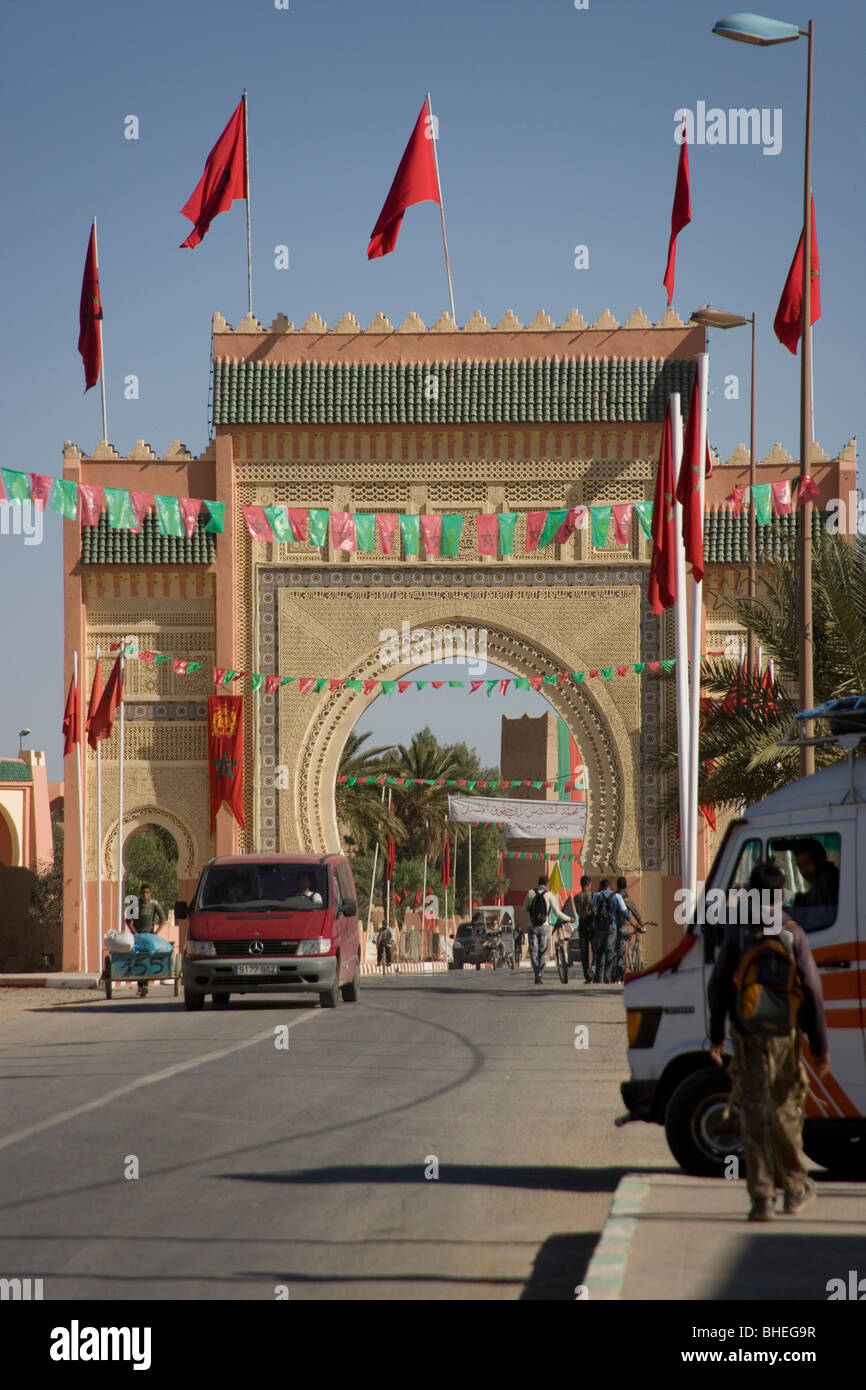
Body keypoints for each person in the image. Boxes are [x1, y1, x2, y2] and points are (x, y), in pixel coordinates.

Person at [708, 860, 830, 1222]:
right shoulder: (793, 933)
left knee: (755, 1112)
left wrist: (716, 1035)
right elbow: (812, 990)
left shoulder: (739, 932)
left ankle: (762, 1198)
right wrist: (820, 1045)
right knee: (785, 1111)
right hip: (783, 1035)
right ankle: (793, 1189)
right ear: (780, 894)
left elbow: (717, 986)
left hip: (746, 1034)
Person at [523, 875, 569, 985]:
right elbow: (557, 912)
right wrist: (569, 919)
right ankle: (540, 974)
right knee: (542, 951)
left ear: (538, 883)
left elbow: (524, 909)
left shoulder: (530, 893)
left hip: (532, 926)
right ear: (547, 884)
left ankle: (537, 974)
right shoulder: (549, 895)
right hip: (544, 926)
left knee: (533, 951)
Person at [785, 839, 840, 932]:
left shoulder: (826, 883)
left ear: (822, 859)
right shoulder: (828, 878)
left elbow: (812, 924)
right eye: (800, 866)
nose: (804, 871)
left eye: (808, 863)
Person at [126, 884, 166, 997]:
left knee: (147, 959)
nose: (145, 894)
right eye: (143, 892)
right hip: (138, 936)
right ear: (140, 893)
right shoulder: (135, 904)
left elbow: (163, 919)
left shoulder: (154, 904)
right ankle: (140, 985)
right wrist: (135, 933)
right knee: (138, 959)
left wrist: (156, 933)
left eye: (147, 892)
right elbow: (128, 921)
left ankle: (145, 985)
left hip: (149, 936)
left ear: (150, 893)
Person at [591, 878, 629, 983]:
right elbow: (625, 912)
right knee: (610, 951)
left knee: (599, 952)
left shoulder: (597, 895)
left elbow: (590, 907)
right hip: (612, 927)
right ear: (609, 886)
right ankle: (607, 976)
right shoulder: (617, 896)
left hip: (599, 928)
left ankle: (598, 977)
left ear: (601, 886)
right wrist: (628, 920)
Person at [612, 876, 644, 983]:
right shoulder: (627, 899)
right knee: (621, 952)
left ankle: (611, 975)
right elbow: (636, 913)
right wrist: (641, 924)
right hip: (623, 927)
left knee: (613, 951)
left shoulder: (612, 897)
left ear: (617, 885)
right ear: (625, 886)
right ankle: (619, 977)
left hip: (611, 928)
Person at [573, 875, 596, 983]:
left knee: (584, 952)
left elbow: (578, 911)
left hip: (582, 923)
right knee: (595, 949)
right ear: (588, 884)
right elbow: (594, 910)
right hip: (591, 924)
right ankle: (594, 968)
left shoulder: (576, 897)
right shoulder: (592, 895)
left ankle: (587, 976)